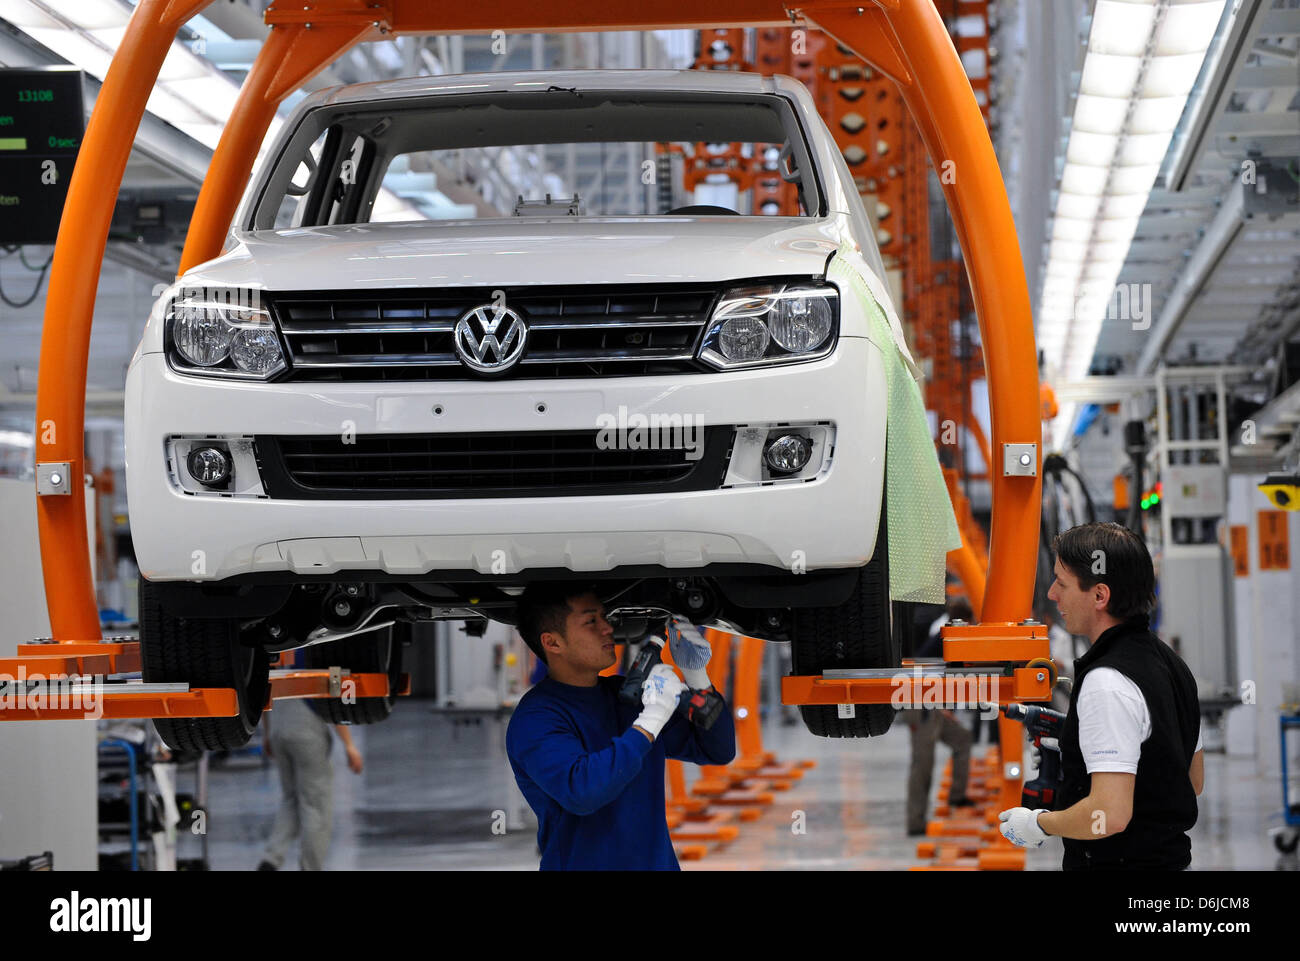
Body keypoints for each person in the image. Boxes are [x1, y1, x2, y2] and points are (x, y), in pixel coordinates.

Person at [999, 522, 1204, 870]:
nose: (1051, 594)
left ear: (1099, 596)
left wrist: (1038, 824)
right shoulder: (1173, 665)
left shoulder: (1106, 682)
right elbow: (1190, 782)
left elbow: (1108, 815)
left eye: (1062, 583)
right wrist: (1086, 747)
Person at [506, 583, 736, 870]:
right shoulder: (536, 718)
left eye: (604, 617)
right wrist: (651, 719)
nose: (607, 628)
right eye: (591, 621)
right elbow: (583, 792)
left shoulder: (624, 696)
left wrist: (697, 677)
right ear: (553, 643)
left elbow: (717, 750)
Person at [257, 694, 364, 871]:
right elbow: (334, 696)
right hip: (306, 730)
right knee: (315, 805)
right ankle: (311, 867)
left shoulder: (274, 664)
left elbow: (263, 693)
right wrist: (349, 744)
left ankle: (271, 860)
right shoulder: (318, 664)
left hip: (278, 726)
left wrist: (268, 733)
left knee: (290, 799)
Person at [904, 598, 975, 835]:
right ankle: (915, 821)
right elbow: (922, 675)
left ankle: (957, 796)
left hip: (933, 704)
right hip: (921, 705)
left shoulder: (951, 637)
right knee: (923, 763)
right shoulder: (947, 636)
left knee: (962, 739)